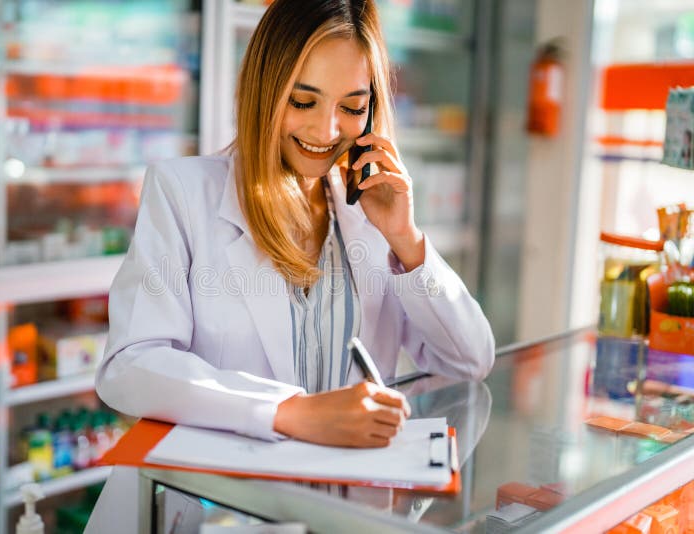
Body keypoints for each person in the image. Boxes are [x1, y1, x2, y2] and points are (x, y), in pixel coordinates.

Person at [86, 1, 494, 531]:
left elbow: (470, 361)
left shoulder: (368, 210)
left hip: (337, 514)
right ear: (265, 89)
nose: (327, 130)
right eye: (304, 100)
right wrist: (290, 412)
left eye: (352, 106)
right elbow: (130, 366)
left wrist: (405, 238)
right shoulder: (184, 193)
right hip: (220, 511)